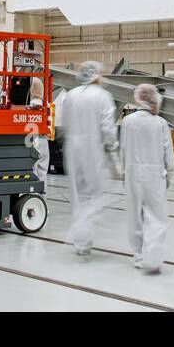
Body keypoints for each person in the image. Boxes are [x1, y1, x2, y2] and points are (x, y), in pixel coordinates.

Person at [60, 61, 119, 256]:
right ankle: (81, 232)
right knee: (96, 195)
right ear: (95, 75)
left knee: (78, 195)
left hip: (72, 149)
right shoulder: (103, 96)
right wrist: (113, 150)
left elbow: (64, 123)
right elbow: (108, 128)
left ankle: (81, 243)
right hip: (92, 150)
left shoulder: (70, 95)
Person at [120, 83, 174, 274]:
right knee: (156, 217)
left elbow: (123, 150)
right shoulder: (159, 123)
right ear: (154, 100)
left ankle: (138, 255)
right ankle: (153, 257)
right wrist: (170, 175)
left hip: (132, 173)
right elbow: (169, 153)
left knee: (135, 216)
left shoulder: (128, 121)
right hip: (155, 174)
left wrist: (123, 175)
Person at [28, 78, 49, 183]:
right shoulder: (46, 105)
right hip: (43, 140)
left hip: (31, 140)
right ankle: (42, 195)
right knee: (43, 170)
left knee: (32, 170)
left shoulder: (28, 105)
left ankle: (32, 195)